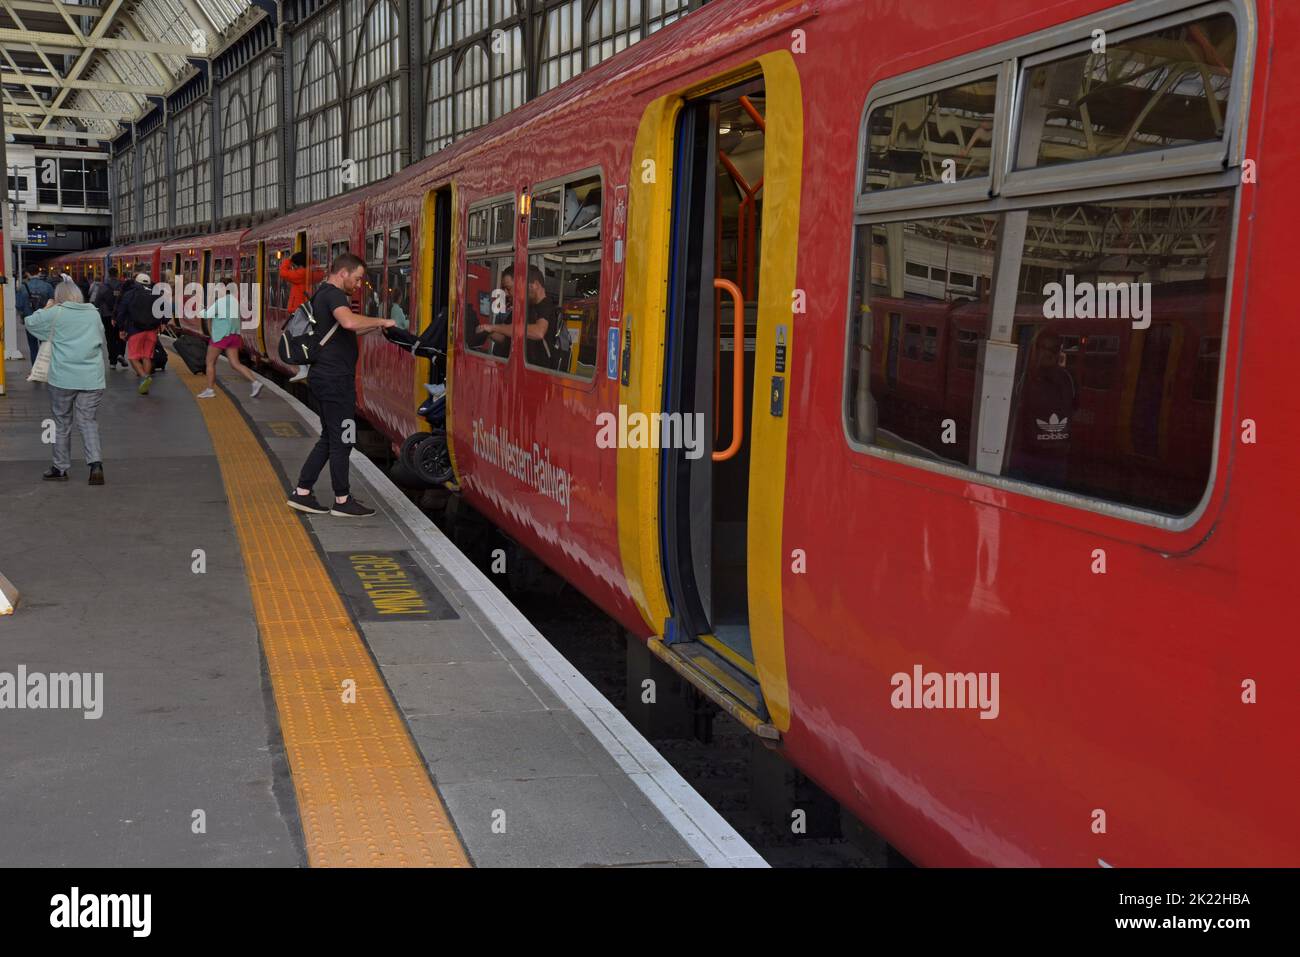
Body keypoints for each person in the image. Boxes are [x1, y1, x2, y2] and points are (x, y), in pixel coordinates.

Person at [287, 253, 395, 517]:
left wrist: (373, 328)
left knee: (329, 437)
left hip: (325, 378)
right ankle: (342, 500)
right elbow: (348, 321)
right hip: (335, 382)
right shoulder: (334, 295)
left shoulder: (322, 294)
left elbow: (348, 329)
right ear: (343, 273)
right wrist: (381, 320)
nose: (359, 285)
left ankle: (302, 492)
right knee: (343, 439)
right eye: (357, 279)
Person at [25, 279, 109, 485]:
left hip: (62, 378)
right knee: (88, 421)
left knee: (62, 423)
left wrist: (46, 308)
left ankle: (60, 468)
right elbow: (100, 337)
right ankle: (95, 465)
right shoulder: (93, 313)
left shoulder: (56, 312)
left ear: (59, 297)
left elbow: (30, 322)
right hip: (92, 378)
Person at [1008, 329, 1077, 489]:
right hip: (1027, 456)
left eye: (1052, 349)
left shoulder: (1068, 380)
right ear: (1035, 350)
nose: (1047, 354)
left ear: (1059, 352)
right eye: (1043, 348)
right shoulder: (1023, 378)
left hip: (1056, 460)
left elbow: (1074, 408)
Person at [196, 288, 262, 400]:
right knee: (235, 363)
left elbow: (207, 315)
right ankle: (255, 382)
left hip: (221, 336)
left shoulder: (220, 302)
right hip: (234, 335)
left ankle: (210, 390)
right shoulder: (235, 301)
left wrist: (200, 309)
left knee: (210, 362)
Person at [280, 251, 325, 383]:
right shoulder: (314, 274)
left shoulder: (301, 274)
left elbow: (283, 272)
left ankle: (304, 369)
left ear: (298, 265)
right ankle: (307, 366)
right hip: (307, 310)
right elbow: (320, 271)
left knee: (295, 339)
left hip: (300, 310)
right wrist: (311, 261)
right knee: (306, 338)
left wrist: (288, 260)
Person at [118, 272, 165, 394]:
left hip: (135, 331)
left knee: (133, 357)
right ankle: (145, 386)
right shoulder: (157, 294)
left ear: (136, 282)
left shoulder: (130, 294)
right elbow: (166, 309)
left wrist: (121, 329)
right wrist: (163, 322)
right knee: (147, 357)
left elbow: (121, 312)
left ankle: (145, 377)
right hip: (152, 332)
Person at [522, 264, 561, 369]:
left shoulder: (546, 305)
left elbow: (539, 332)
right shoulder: (532, 306)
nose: (522, 292)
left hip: (543, 370)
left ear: (535, 285)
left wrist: (509, 327)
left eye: (525, 287)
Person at [89, 267, 126, 370]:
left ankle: (112, 362)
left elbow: (97, 301)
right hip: (120, 315)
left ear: (108, 275)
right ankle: (120, 354)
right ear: (117, 274)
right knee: (121, 335)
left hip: (107, 315)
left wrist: (96, 310)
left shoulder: (102, 286)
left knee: (110, 338)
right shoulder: (122, 285)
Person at [17, 267, 55, 367]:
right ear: (39, 273)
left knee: (33, 346)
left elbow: (19, 305)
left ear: (28, 274)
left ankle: (35, 370)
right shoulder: (48, 286)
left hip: (30, 321)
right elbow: (53, 302)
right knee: (46, 345)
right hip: (45, 321)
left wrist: (23, 314)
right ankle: (45, 369)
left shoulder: (23, 287)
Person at [475, 266, 514, 357]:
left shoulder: (525, 312)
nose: (506, 293)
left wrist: (489, 331)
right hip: (499, 354)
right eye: (503, 288)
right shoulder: (504, 307)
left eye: (508, 288)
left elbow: (506, 339)